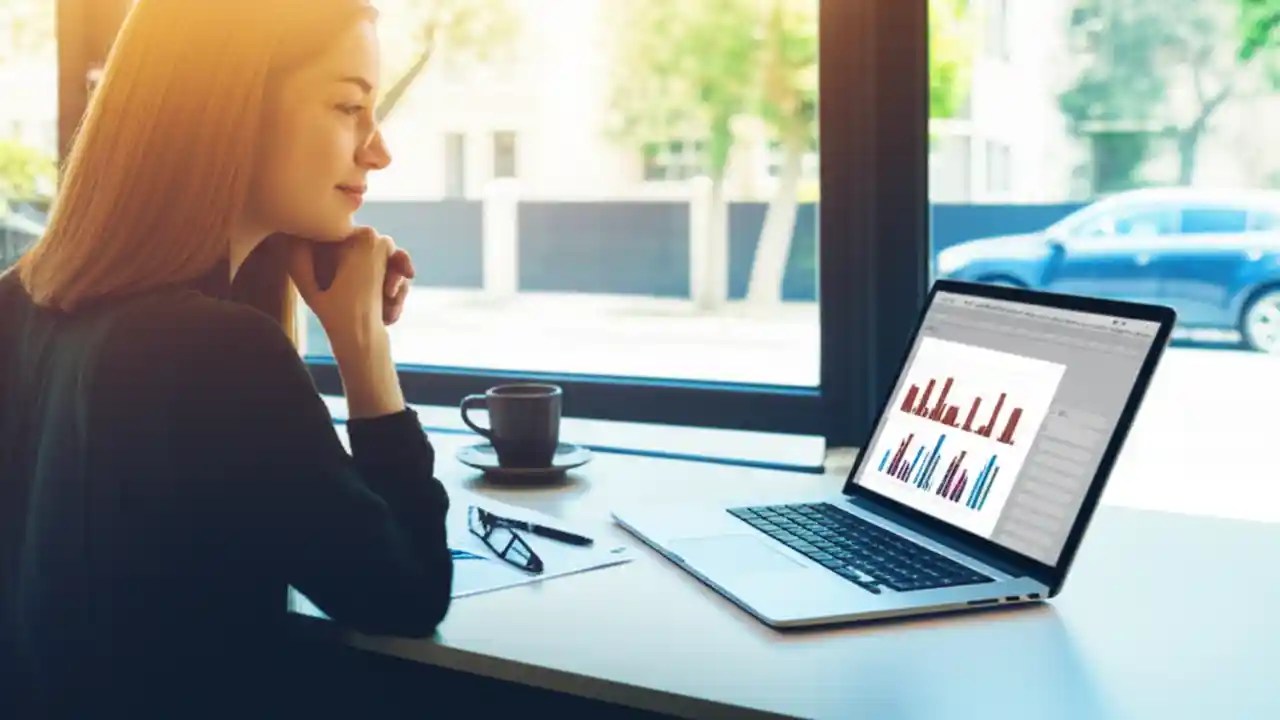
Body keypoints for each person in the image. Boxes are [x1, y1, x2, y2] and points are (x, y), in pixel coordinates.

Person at [0, 1, 453, 716]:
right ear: (232, 109)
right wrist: (364, 346)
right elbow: (407, 593)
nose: (378, 150)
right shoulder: (217, 353)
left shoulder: (21, 303)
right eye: (347, 106)